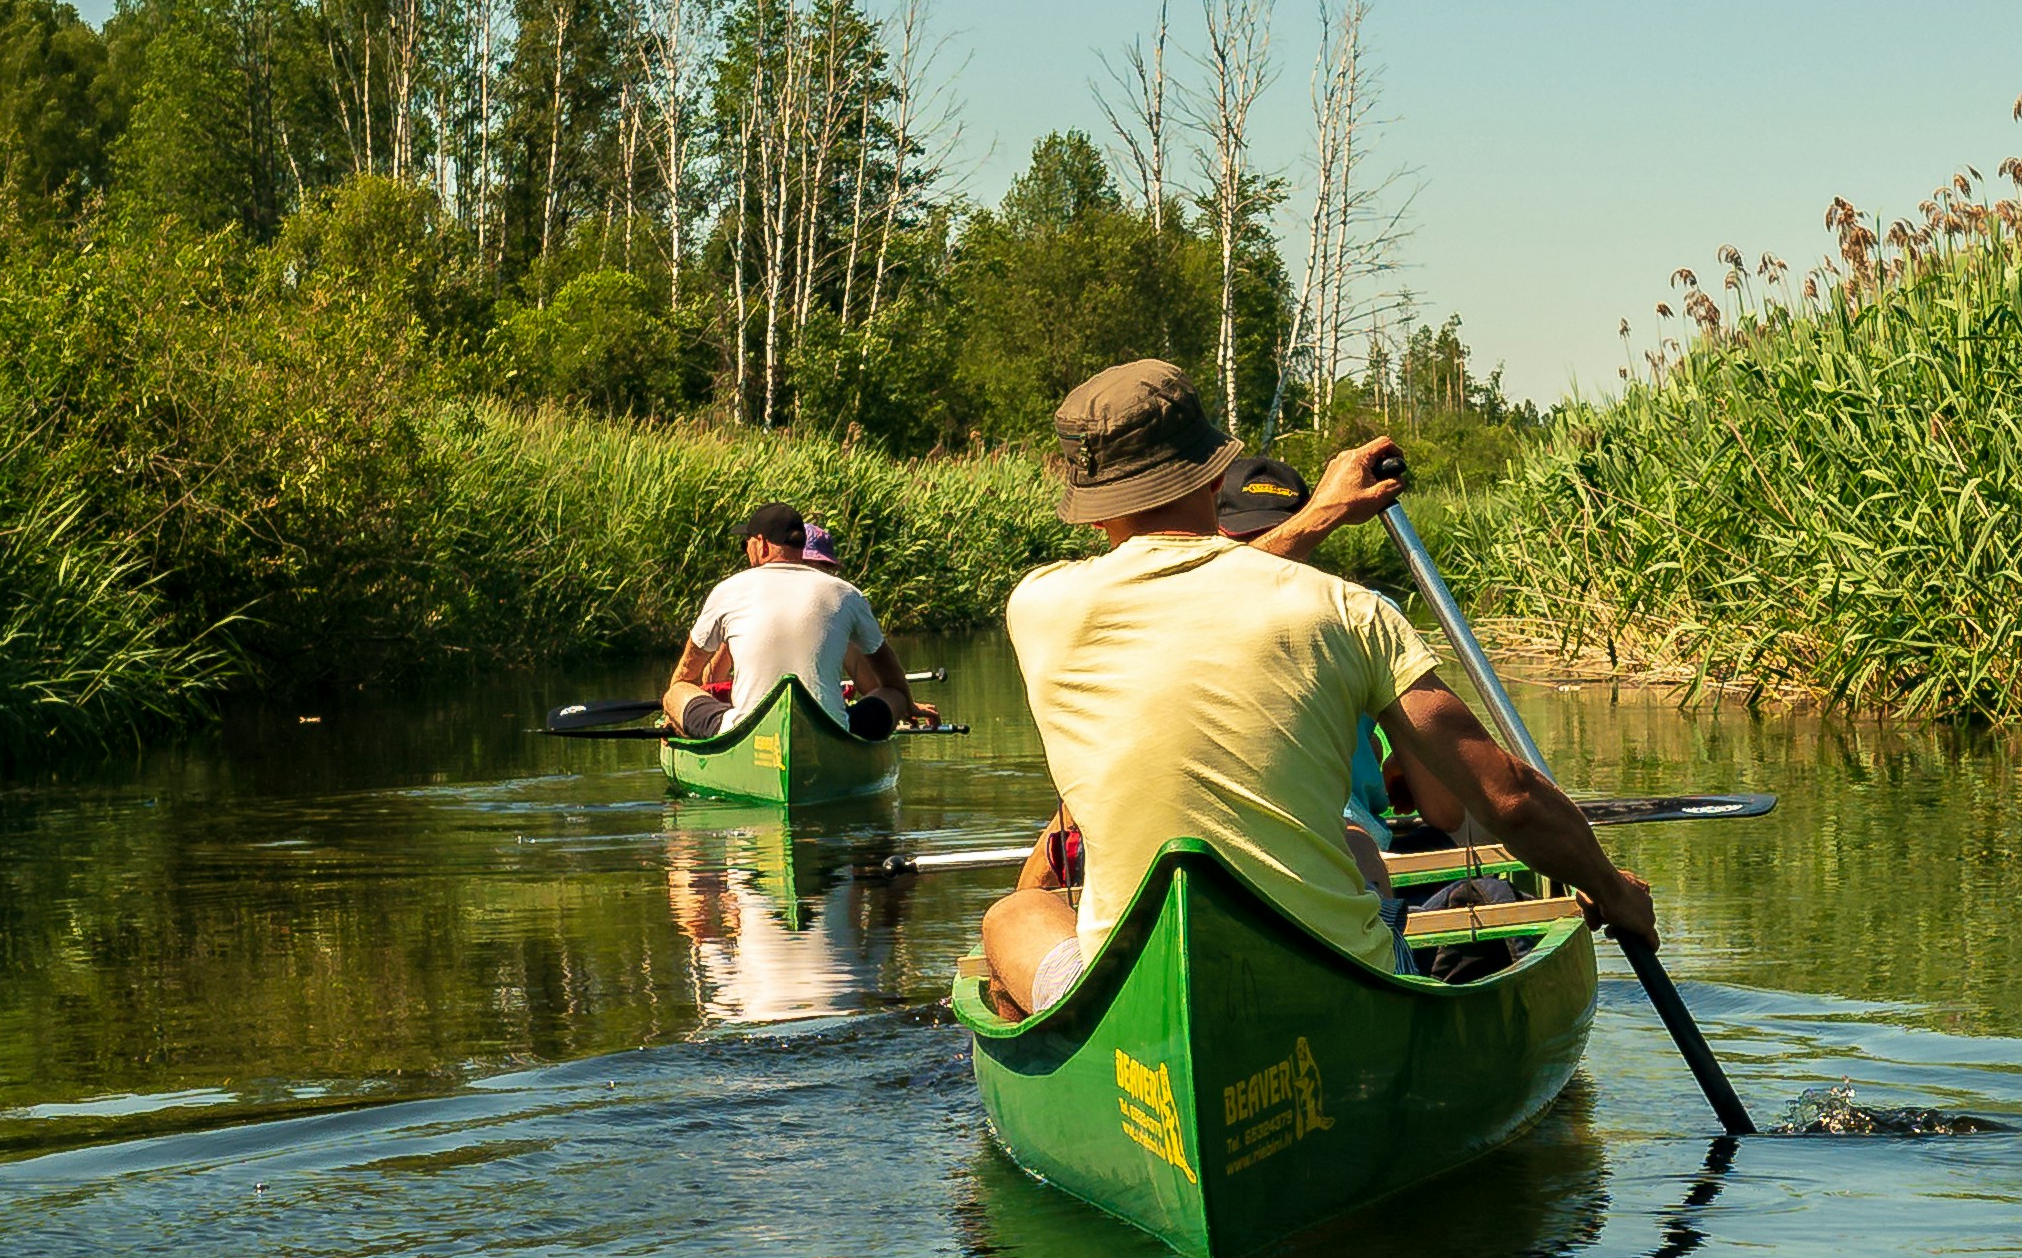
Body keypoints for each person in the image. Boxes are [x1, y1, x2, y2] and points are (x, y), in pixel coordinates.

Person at [976, 361, 1653, 1018]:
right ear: (1213, 475)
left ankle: (1074, 1077)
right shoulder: (1345, 609)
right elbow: (1508, 799)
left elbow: (1197, 590)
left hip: (1140, 1000)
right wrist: (1608, 886)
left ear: (1095, 514)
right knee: (1360, 858)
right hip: (1335, 982)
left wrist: (1318, 518)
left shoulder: (1038, 607)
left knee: (1015, 914)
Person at [665, 504, 929, 742]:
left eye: (746, 544)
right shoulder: (848, 594)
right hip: (830, 731)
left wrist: (673, 714)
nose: (746, 551)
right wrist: (909, 705)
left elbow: (687, 673)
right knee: (894, 693)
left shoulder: (727, 590)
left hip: (746, 733)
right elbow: (888, 670)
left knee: (675, 691)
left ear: (762, 544)